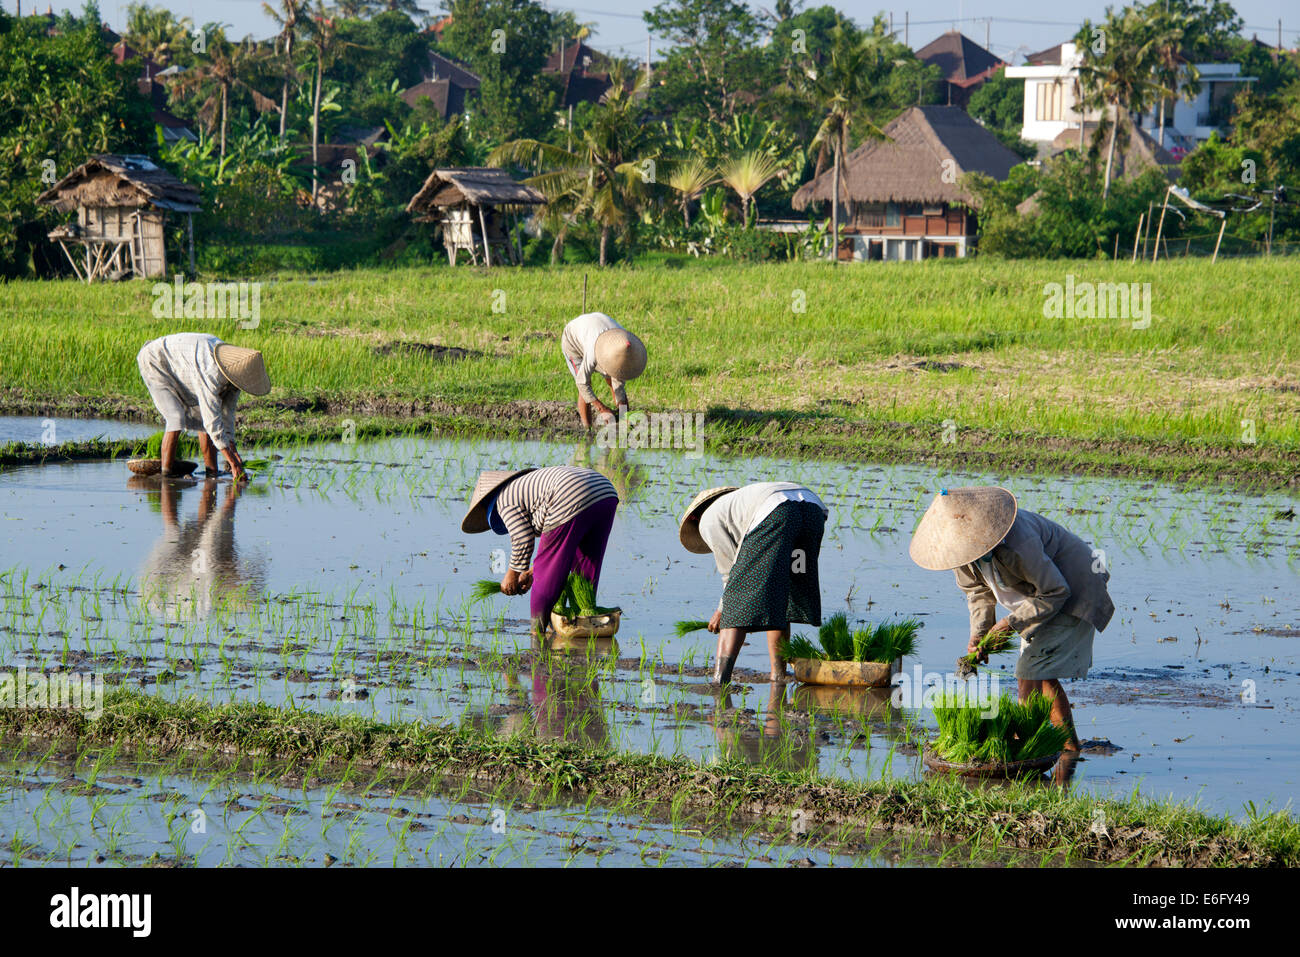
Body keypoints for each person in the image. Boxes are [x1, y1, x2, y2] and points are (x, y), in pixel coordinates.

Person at [908, 486, 1114, 752]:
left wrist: (1009, 624)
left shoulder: (1018, 541)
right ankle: (1067, 747)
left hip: (1075, 589)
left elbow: (1056, 590)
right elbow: (977, 592)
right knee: (1038, 672)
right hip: (1038, 599)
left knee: (1031, 672)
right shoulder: (960, 553)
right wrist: (980, 635)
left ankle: (1025, 744)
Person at [679, 483, 828, 685]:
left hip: (776, 511)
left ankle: (719, 680)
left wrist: (723, 609)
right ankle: (779, 674)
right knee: (782, 590)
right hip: (812, 510)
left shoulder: (708, 520)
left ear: (695, 517)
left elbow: (732, 578)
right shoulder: (738, 506)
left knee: (736, 603)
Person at [462, 466, 619, 638]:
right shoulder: (524, 488)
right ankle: (584, 619)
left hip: (568, 493)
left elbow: (522, 538)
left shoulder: (503, 500)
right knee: (585, 565)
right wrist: (531, 572)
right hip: (605, 492)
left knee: (546, 575)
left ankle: (537, 632)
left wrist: (512, 575)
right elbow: (563, 549)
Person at [136, 333, 270, 481]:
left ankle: (212, 473)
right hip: (156, 361)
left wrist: (234, 451)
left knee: (203, 419)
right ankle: (166, 476)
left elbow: (227, 415)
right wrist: (232, 462)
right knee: (176, 417)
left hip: (185, 365)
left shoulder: (236, 377)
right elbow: (212, 420)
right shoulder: (211, 372)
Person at [560, 312, 647, 428]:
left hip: (597, 329)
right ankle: (587, 431)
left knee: (613, 381)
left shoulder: (622, 346)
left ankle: (624, 423)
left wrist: (624, 418)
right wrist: (602, 409)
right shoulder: (592, 352)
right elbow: (582, 383)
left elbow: (618, 387)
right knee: (586, 386)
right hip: (573, 341)